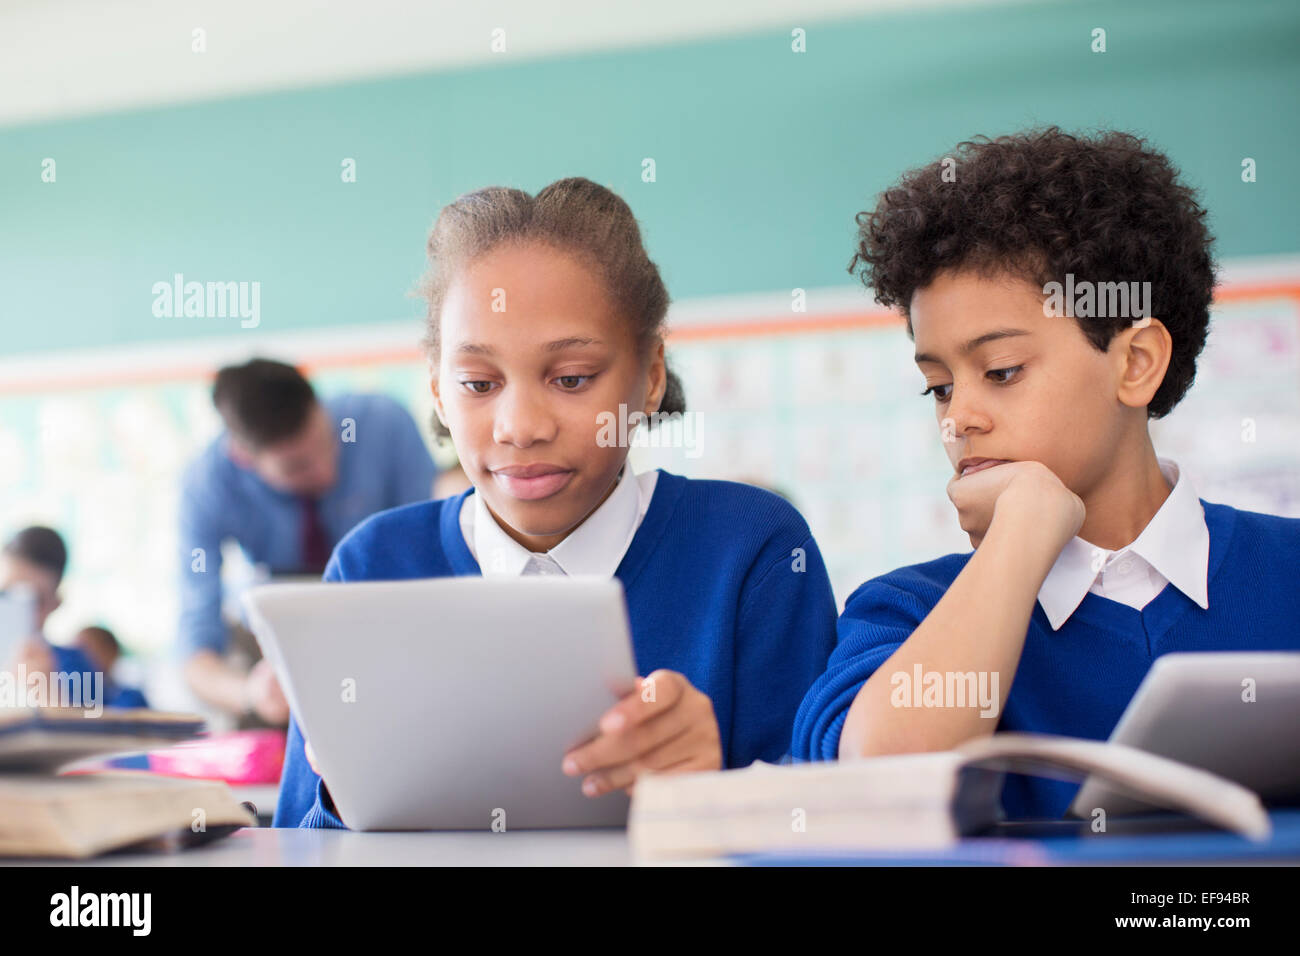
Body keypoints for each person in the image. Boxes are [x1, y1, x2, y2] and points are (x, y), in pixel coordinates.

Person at [275, 178, 839, 827]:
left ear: (651, 375)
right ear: (437, 391)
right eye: (478, 383)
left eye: (571, 379)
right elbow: (295, 846)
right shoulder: (372, 567)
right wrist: (345, 798)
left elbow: (823, 828)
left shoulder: (752, 549)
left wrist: (720, 790)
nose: (521, 426)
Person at [793, 127, 1300, 819]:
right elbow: (882, 787)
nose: (959, 417)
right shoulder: (907, 611)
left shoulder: (1288, 571)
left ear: (1135, 363)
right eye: (938, 386)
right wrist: (1022, 534)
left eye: (1001, 372)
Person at [178, 359, 437, 725]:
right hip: (278, 656)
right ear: (243, 457)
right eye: (296, 467)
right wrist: (250, 694)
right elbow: (195, 643)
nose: (325, 471)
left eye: (325, 444)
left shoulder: (384, 423)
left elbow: (432, 559)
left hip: (391, 626)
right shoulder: (205, 484)